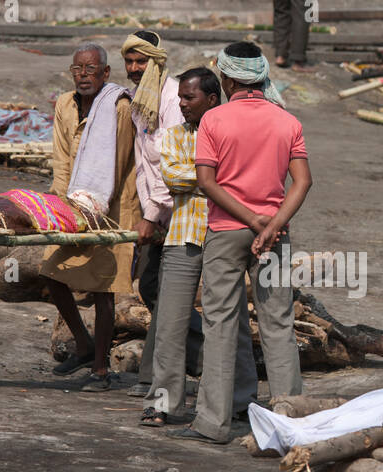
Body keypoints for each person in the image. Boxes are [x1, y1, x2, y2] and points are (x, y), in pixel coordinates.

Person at [174, 42, 311, 444]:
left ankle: (212, 424)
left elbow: (206, 182)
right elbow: (302, 182)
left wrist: (249, 219)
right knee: (278, 325)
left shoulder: (214, 121)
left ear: (228, 78)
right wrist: (270, 226)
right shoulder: (287, 121)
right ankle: (290, 422)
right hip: (275, 233)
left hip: (228, 232)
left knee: (220, 324)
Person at [142, 67, 259, 427]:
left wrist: (208, 177)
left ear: (212, 99)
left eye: (188, 98)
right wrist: (213, 176)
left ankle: (241, 401)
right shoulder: (175, 134)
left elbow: (221, 176)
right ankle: (164, 403)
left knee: (231, 320)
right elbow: (173, 177)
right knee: (169, 322)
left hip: (225, 235)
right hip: (182, 234)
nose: (182, 105)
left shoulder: (231, 132)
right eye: (179, 98)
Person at [40, 42, 147, 391]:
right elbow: (60, 160)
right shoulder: (64, 104)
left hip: (112, 206)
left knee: (104, 289)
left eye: (90, 70)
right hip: (72, 202)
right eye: (77, 70)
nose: (83, 76)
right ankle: (83, 345)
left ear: (105, 73)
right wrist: (58, 206)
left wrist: (94, 205)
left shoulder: (118, 106)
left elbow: (113, 166)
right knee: (52, 273)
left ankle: (100, 369)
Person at [119, 30, 196, 400]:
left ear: (156, 61)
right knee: (152, 288)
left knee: (162, 291)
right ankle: (191, 356)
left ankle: (155, 377)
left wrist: (150, 216)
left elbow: (171, 162)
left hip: (180, 210)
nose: (134, 68)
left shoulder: (172, 98)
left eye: (140, 61)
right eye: (129, 62)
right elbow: (143, 163)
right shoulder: (139, 99)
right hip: (155, 208)